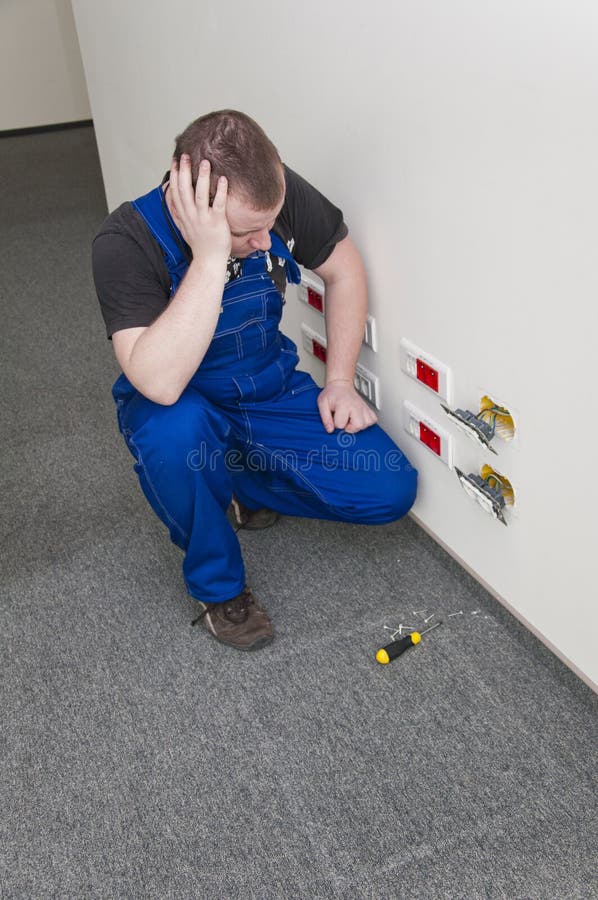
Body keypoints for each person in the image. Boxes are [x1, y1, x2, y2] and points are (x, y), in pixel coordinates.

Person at [92, 110, 417, 652]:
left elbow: (344, 270)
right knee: (176, 438)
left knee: (388, 488)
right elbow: (159, 382)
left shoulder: (268, 195)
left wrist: (338, 380)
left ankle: (235, 479)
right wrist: (212, 255)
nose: (268, 242)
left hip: (264, 390)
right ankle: (219, 588)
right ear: (192, 197)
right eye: (248, 232)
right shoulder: (125, 240)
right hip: (179, 404)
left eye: (271, 225)